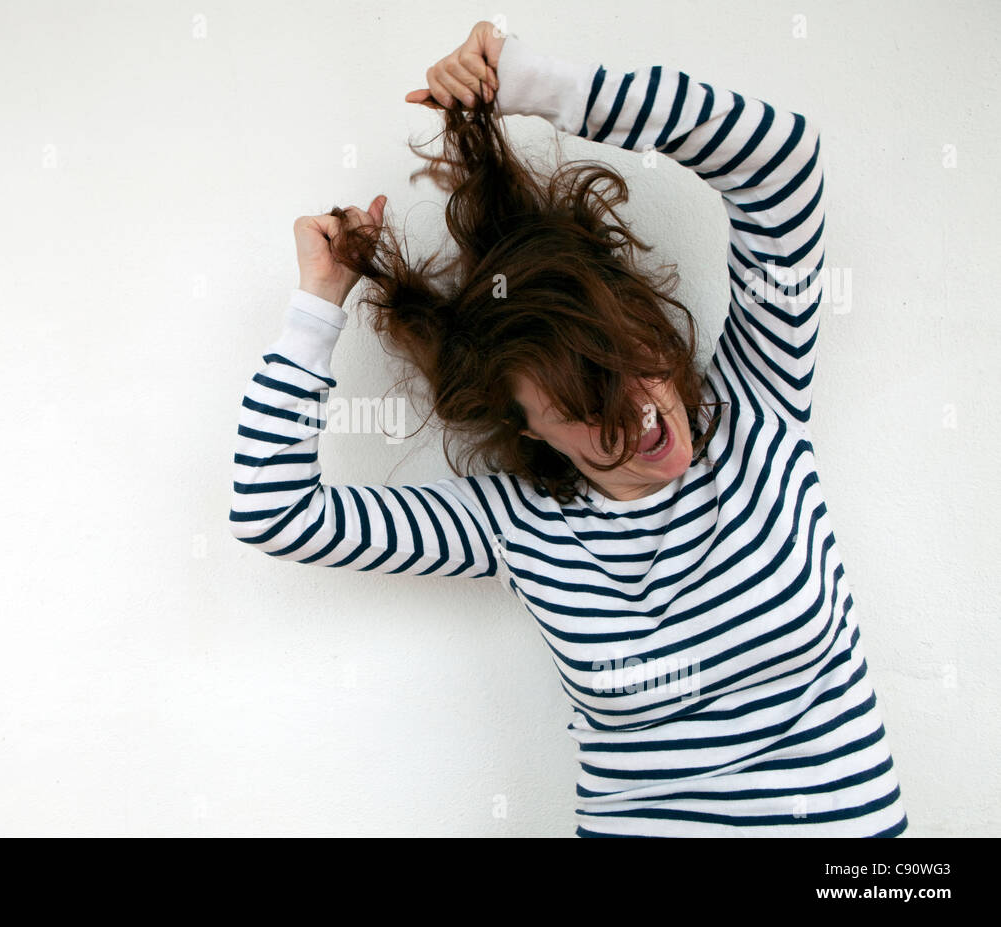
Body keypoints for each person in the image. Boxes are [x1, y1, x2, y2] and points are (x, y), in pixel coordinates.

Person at [229, 21, 908, 837]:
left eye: (630, 356)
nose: (639, 411)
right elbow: (273, 510)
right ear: (528, 429)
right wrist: (316, 304)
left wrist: (536, 85)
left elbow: (784, 164)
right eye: (582, 405)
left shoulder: (759, 406)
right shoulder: (514, 520)